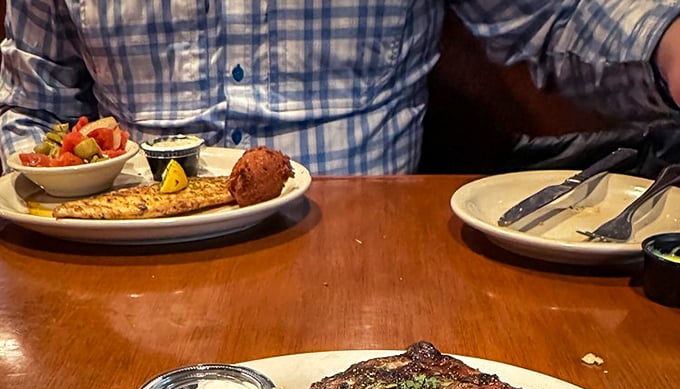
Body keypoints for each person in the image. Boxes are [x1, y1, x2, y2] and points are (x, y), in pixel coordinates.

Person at [0, 0, 679, 175]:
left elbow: (556, 16)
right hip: (128, 271)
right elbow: (33, 108)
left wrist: (669, 47)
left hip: (368, 275)